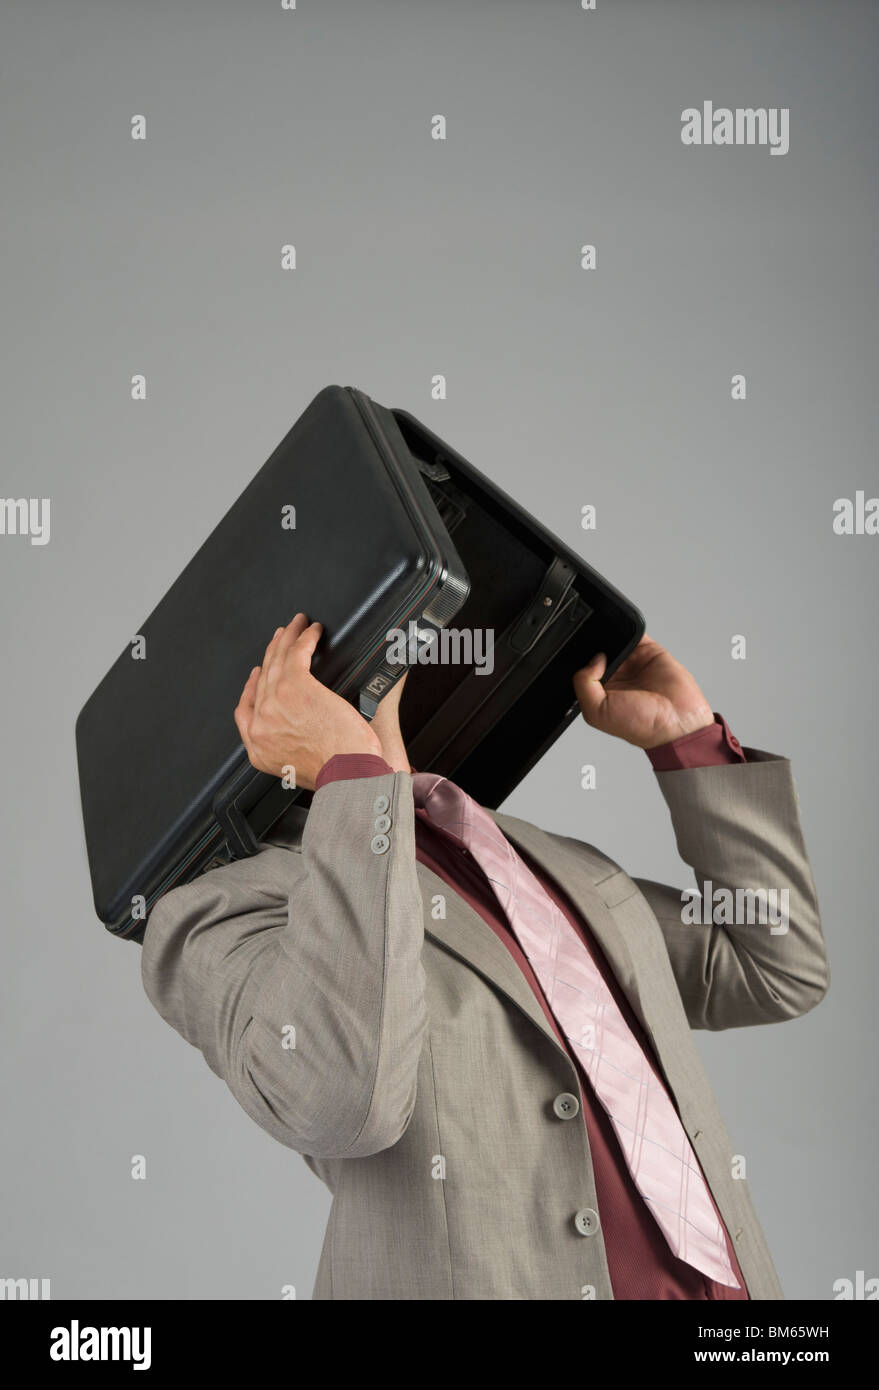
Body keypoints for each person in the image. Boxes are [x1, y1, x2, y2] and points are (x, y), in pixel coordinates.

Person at [141, 613, 828, 1300]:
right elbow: (342, 1106)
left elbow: (772, 970)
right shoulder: (215, 912)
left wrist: (689, 741)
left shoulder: (531, 855)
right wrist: (348, 784)